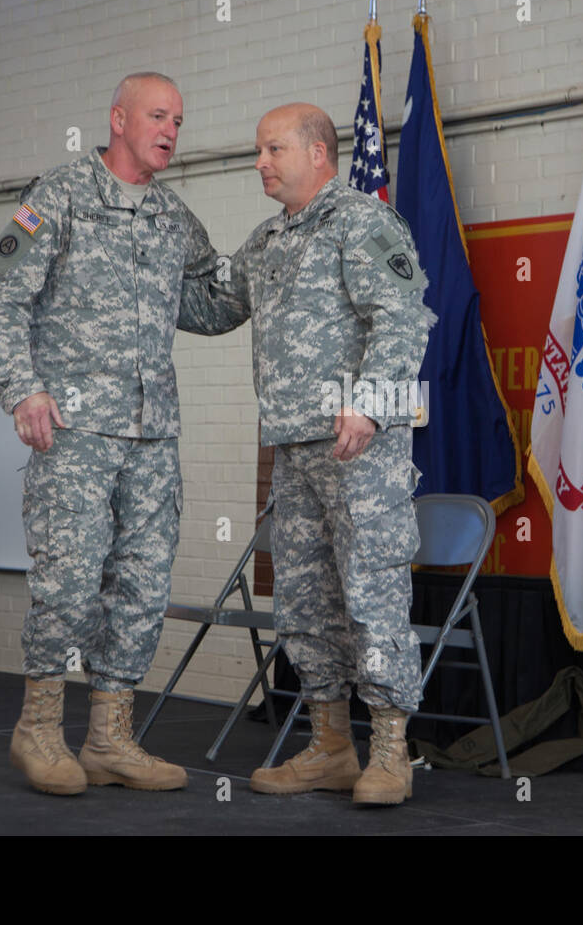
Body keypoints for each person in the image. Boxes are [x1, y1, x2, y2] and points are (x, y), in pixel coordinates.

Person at [0, 72, 234, 796]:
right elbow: (1, 298)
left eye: (179, 119)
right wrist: (23, 390)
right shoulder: (56, 196)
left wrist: (285, 255)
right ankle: (39, 729)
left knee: (145, 587)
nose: (171, 131)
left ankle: (111, 738)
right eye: (158, 115)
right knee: (70, 583)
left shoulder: (175, 217)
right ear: (117, 119)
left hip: (153, 438)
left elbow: (210, 301)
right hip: (77, 435)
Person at [183, 103, 434, 805]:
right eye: (258, 150)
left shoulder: (362, 221)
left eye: (272, 149)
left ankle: (391, 749)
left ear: (319, 152)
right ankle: (330, 745)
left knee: (371, 590)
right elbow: (211, 308)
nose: (259, 162)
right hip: (292, 448)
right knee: (303, 598)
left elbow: (403, 312)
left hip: (359, 446)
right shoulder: (268, 241)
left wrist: (372, 401)